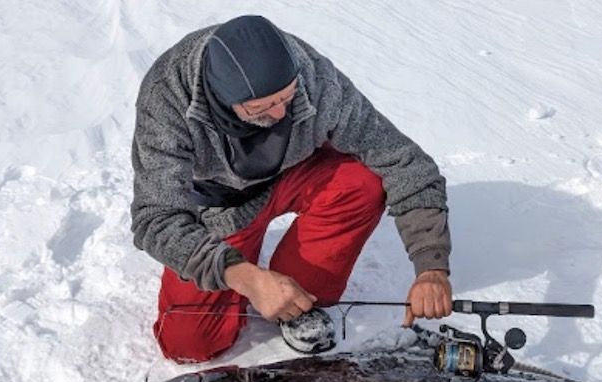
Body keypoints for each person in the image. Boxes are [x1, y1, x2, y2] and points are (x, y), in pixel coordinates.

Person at [130, 15, 453, 362]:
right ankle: (249, 271)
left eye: (287, 97)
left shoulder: (313, 78)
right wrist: (244, 276)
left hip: (295, 174)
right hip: (219, 207)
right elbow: (156, 217)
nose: (282, 111)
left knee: (363, 183)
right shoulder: (167, 95)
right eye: (263, 107)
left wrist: (431, 266)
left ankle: (300, 284)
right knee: (190, 343)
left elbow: (403, 160)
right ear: (223, 98)